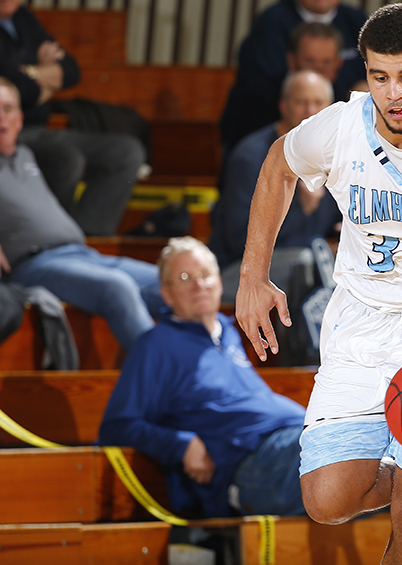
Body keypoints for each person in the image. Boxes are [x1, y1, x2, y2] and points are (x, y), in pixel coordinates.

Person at [235, 5, 402, 563]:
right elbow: (277, 168)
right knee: (327, 500)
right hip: (362, 315)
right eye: (380, 77)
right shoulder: (338, 126)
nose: (394, 93)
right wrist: (252, 276)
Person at [98, 237, 307, 518]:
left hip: (290, 442)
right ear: (166, 293)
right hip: (251, 465)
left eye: (205, 275)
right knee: (343, 454)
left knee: (368, 450)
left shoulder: (228, 331)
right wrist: (181, 444)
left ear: (219, 282)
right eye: (184, 278)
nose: (199, 285)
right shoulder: (157, 344)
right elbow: (117, 427)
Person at [0, 77, 161, 351]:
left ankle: (213, 373)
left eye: (7, 108)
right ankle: (170, 383)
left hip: (82, 254)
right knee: (117, 287)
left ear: (20, 118)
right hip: (35, 266)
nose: (1, 117)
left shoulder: (25, 153)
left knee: (172, 283)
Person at [0, 0, 146, 236]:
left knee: (126, 152)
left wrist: (30, 73)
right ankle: (51, 238)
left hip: (41, 128)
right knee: (66, 159)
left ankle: (85, 240)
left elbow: (71, 71)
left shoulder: (24, 20)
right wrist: (44, 78)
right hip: (10, 134)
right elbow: (18, 90)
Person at [210, 69, 341, 303]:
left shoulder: (334, 156)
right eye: (301, 102)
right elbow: (240, 239)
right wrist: (301, 209)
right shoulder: (251, 157)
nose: (310, 111)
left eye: (318, 103)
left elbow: (333, 226)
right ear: (283, 106)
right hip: (240, 270)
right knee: (308, 263)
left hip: (308, 264)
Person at [218, 0, 366, 153]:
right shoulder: (263, 97)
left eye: (326, 63)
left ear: (338, 64)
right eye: (310, 62)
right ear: (292, 61)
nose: (318, 70)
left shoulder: (344, 98)